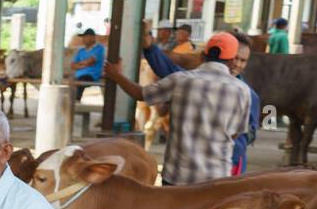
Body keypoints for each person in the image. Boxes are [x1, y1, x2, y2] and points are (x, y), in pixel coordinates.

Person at [105, 30, 250, 185]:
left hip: (177, 177)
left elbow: (141, 94)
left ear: (202, 56)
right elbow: (235, 134)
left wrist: (116, 76)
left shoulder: (180, 80)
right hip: (216, 179)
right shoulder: (242, 91)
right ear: (231, 61)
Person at [142, 27, 260, 176]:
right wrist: (150, 48)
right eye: (234, 57)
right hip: (189, 169)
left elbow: (248, 134)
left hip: (226, 169)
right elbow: (168, 69)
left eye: (243, 60)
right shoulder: (193, 81)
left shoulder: (249, 95)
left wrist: (225, 147)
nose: (237, 64)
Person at [70, 27, 104, 100]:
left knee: (81, 82)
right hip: (78, 76)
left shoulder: (99, 48)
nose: (83, 39)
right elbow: (73, 65)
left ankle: (77, 102)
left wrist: (79, 64)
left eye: (85, 37)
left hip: (91, 76)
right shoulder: (81, 50)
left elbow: (91, 61)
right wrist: (84, 65)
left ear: (92, 37)